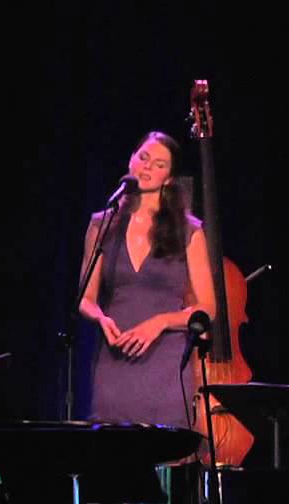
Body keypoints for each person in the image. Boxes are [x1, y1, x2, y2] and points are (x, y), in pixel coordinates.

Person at [79, 131, 215, 427]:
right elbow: (85, 300)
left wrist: (161, 322)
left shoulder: (189, 230)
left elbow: (208, 308)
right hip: (113, 365)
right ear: (131, 160)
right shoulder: (102, 224)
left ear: (169, 178)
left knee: (163, 458)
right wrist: (101, 319)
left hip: (163, 369)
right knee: (110, 459)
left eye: (159, 164)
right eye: (143, 157)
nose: (148, 167)